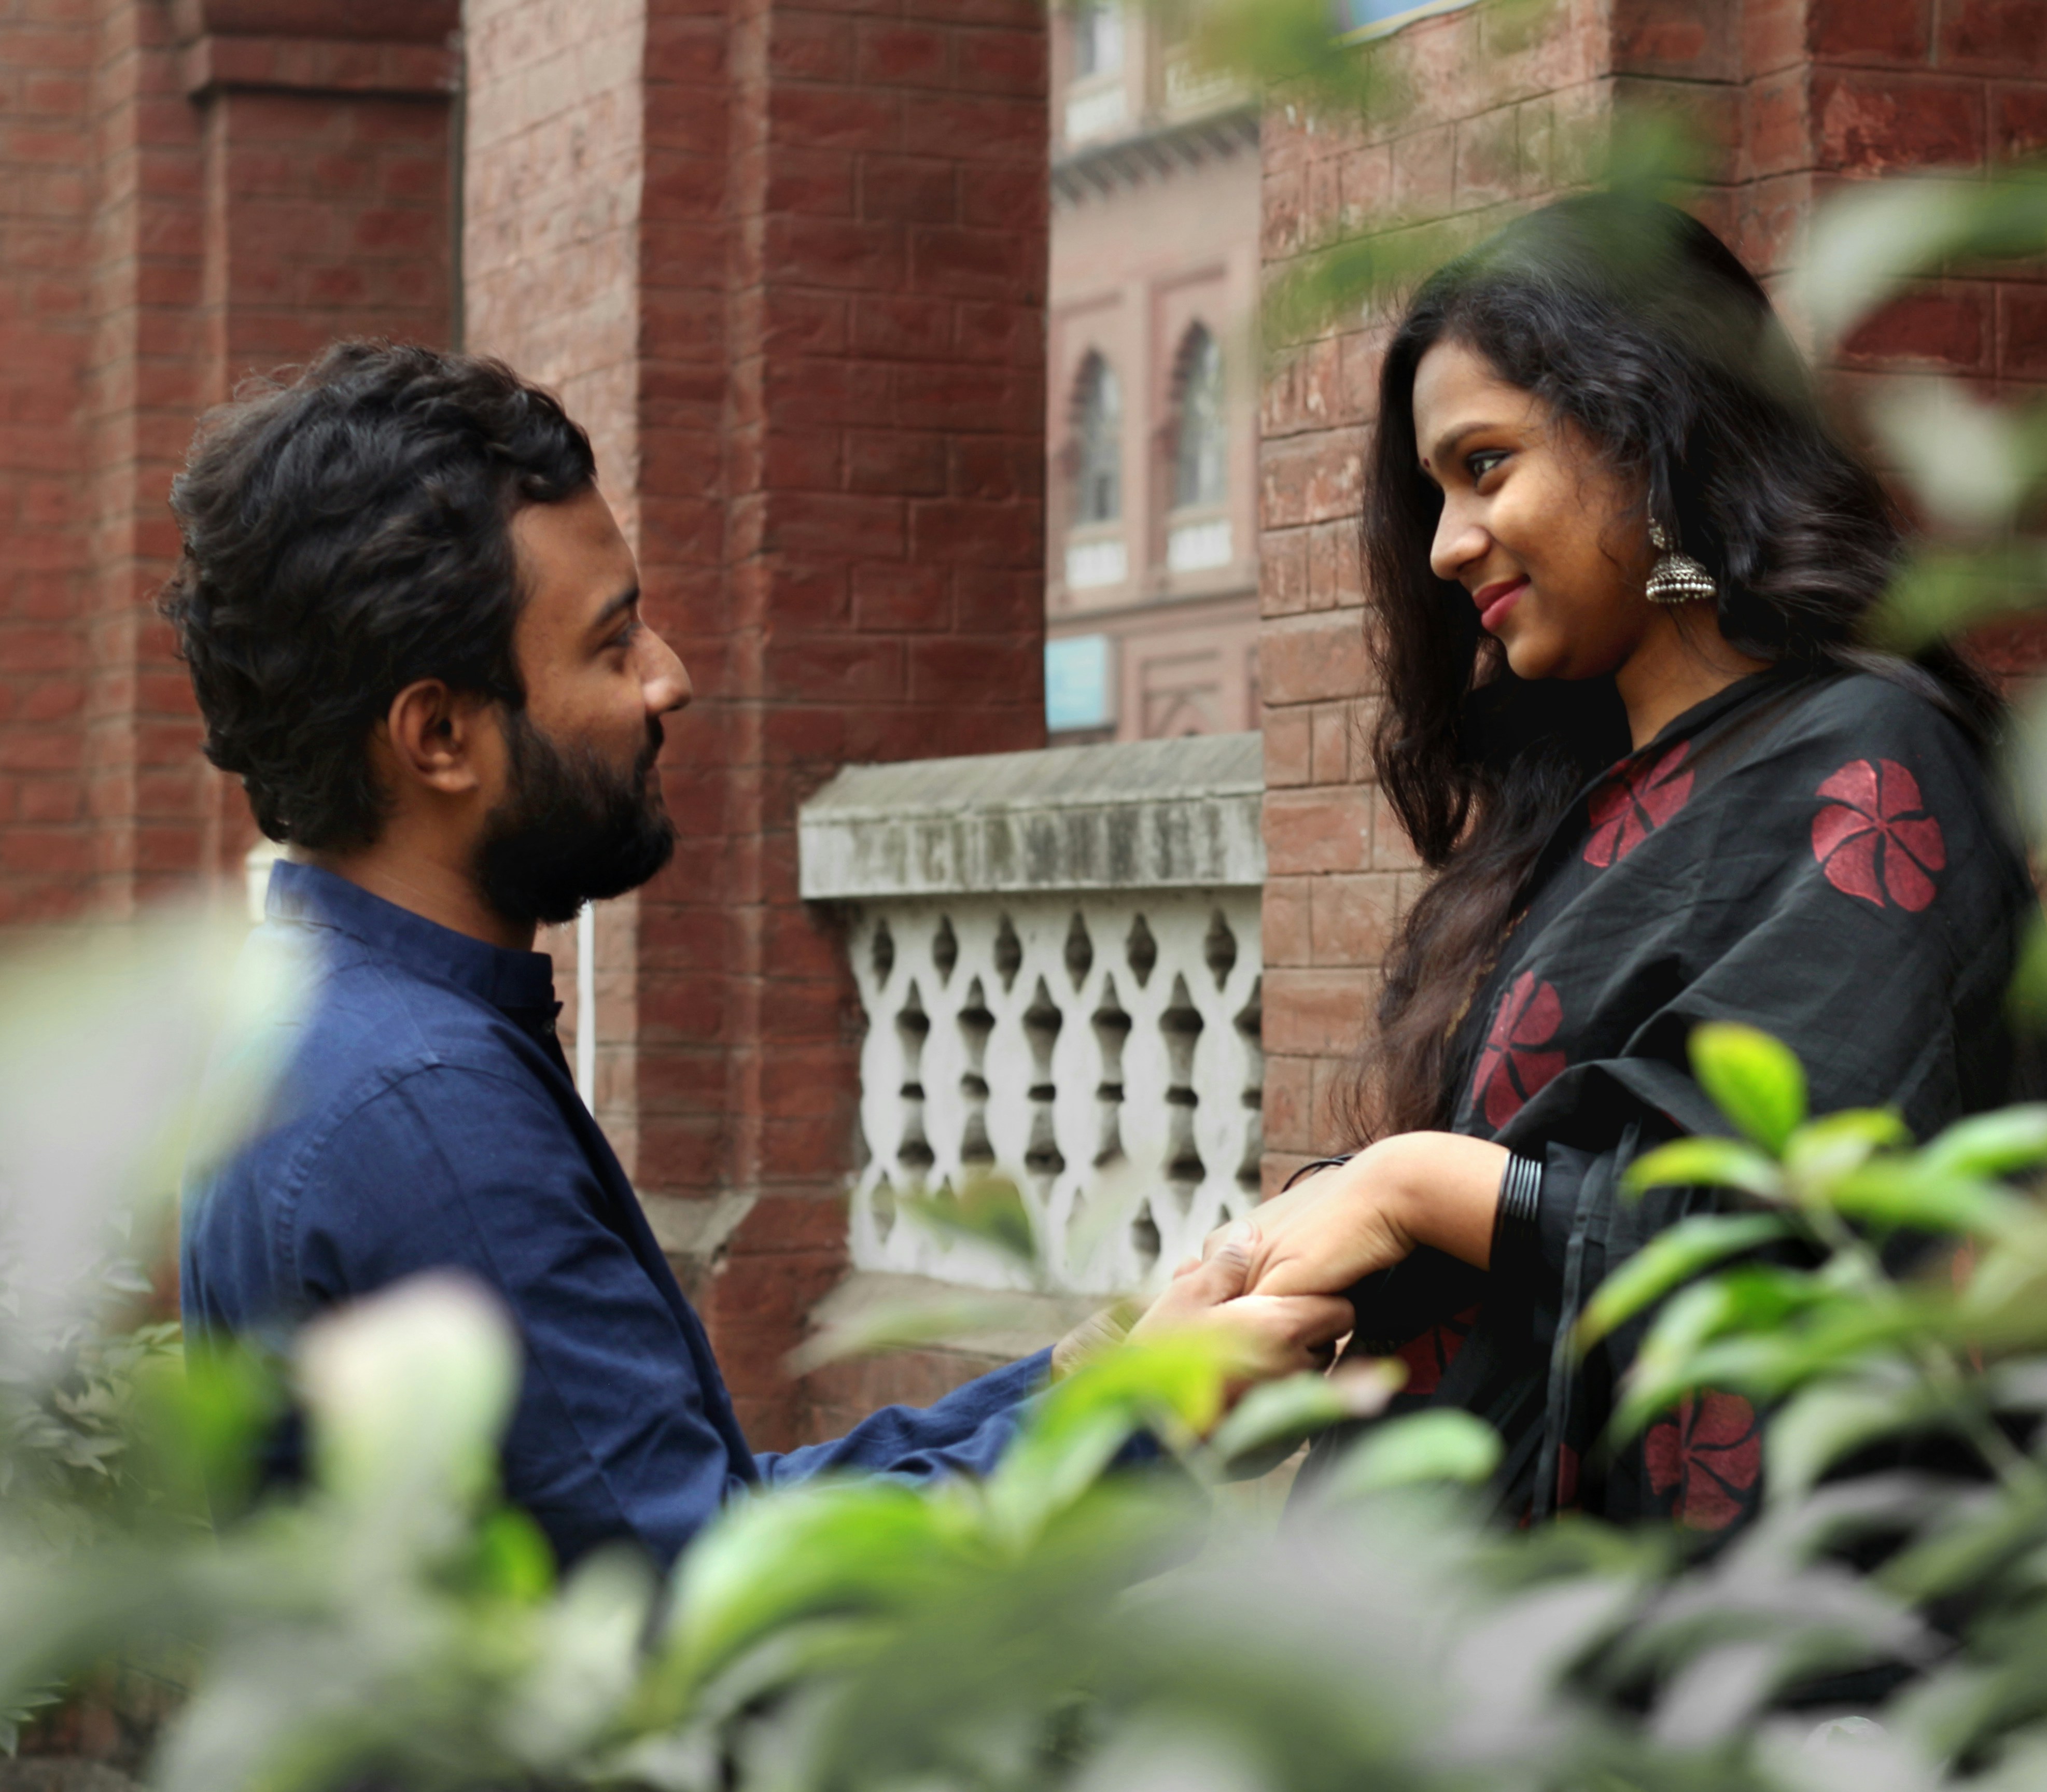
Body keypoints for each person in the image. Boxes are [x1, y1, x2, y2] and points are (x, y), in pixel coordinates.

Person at [165, 342, 1351, 1571]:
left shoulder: (331, 1028)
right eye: (611, 644)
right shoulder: (424, 1112)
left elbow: (673, 1506)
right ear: (441, 735)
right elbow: (714, 1608)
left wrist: (1075, 1384)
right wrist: (1146, 1427)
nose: (668, 679)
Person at [1205, 195, 2047, 1534]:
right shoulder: (1576, 821)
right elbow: (1539, 1209)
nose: (1445, 545)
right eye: (1435, 492)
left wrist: (1411, 1186)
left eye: (1485, 466)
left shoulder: (1866, 763)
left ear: (1652, 439)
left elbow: (1808, 1250)